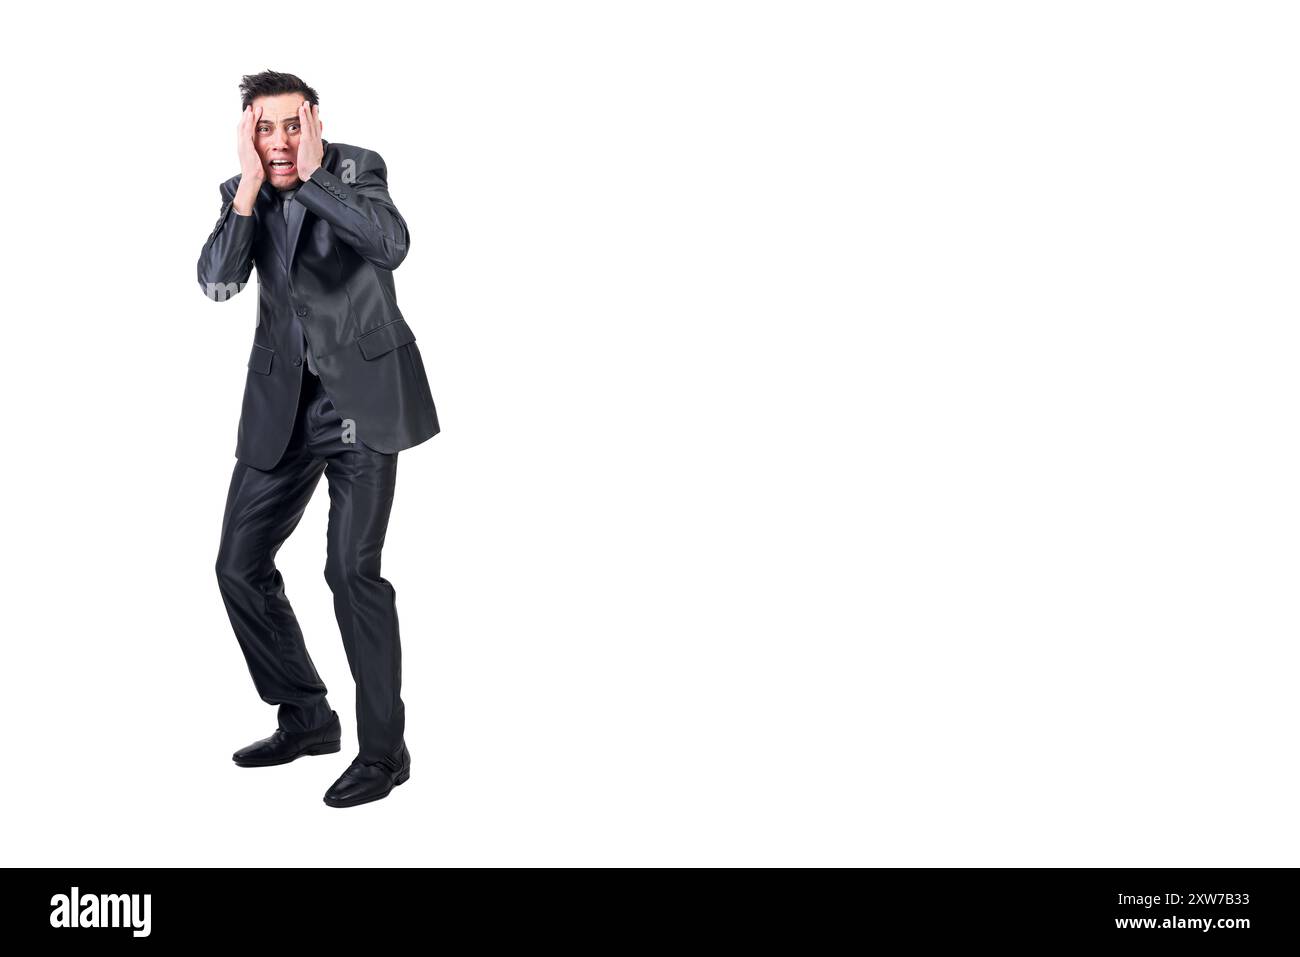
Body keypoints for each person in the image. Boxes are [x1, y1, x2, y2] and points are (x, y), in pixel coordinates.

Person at [196, 70, 439, 808]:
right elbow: (215, 282)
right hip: (285, 408)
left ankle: (385, 752)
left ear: (315, 123)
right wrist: (246, 188)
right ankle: (306, 714)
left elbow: (390, 243)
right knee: (237, 565)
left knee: (350, 573)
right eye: (263, 129)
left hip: (362, 403)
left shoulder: (358, 168)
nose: (278, 141)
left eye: (291, 125)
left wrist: (306, 180)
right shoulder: (242, 193)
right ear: (247, 134)